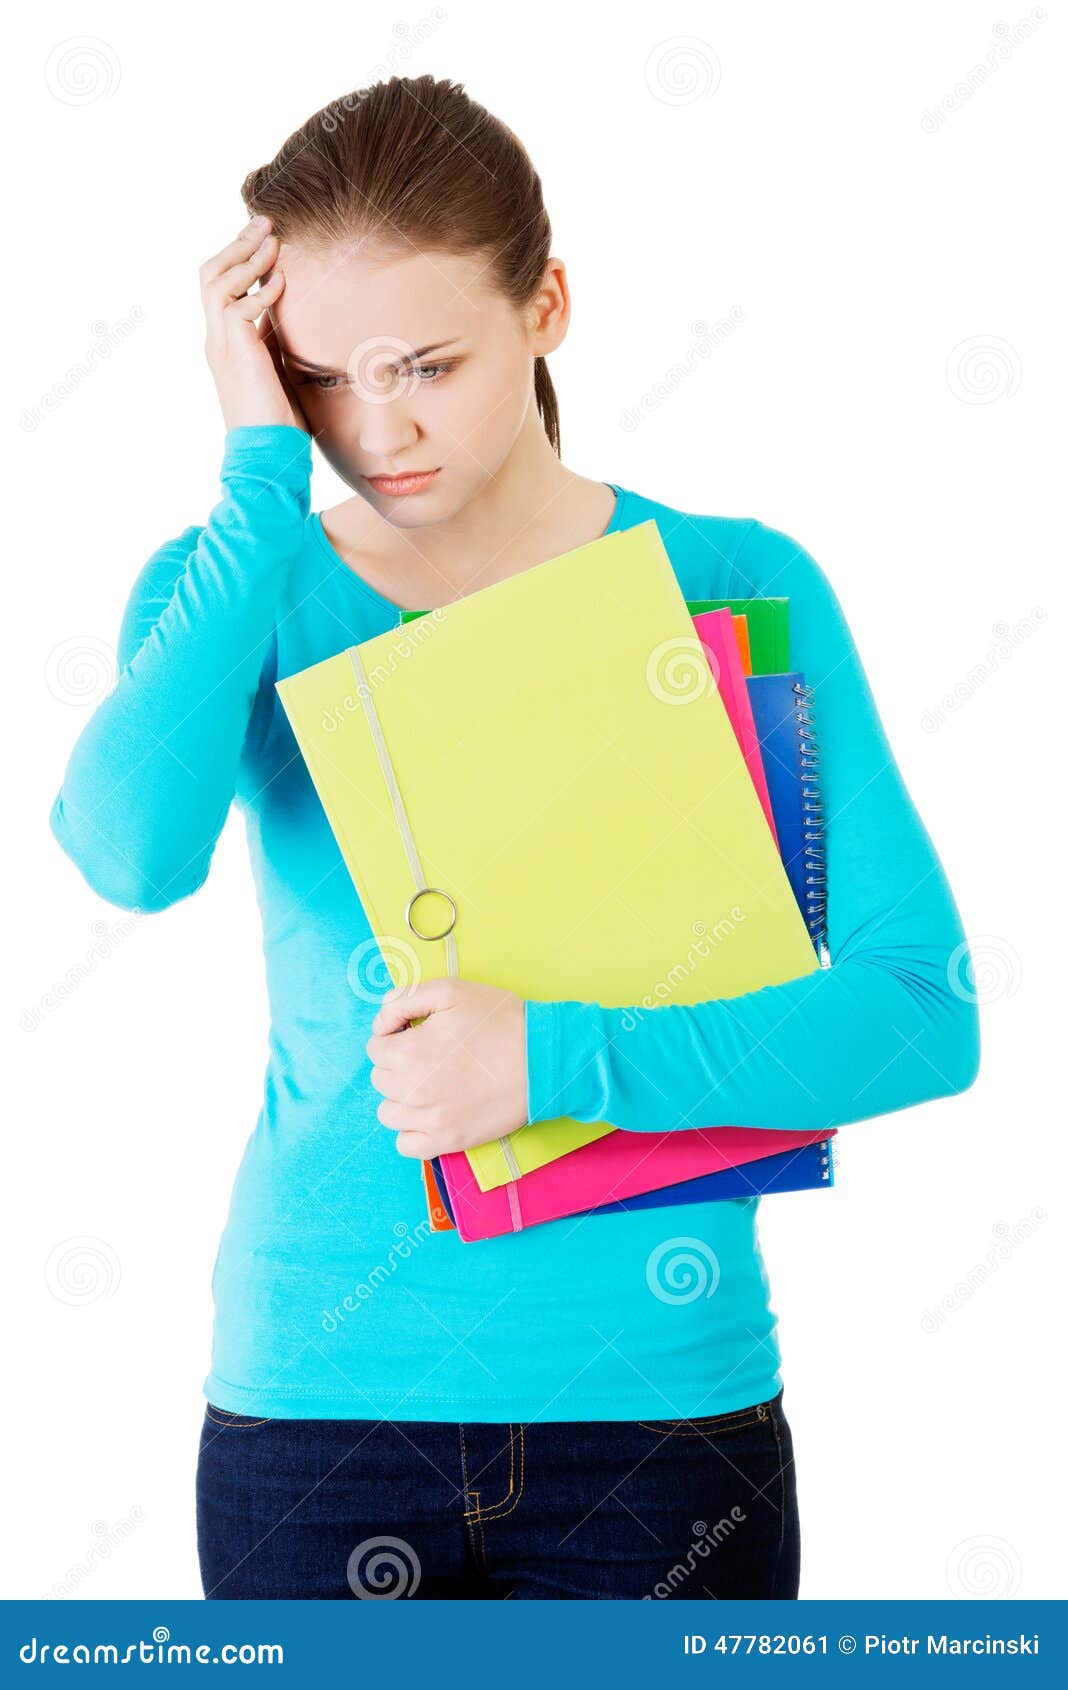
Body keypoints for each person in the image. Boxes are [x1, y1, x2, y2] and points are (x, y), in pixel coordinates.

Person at [48, 74, 980, 1601]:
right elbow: (126, 857)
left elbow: (919, 1014)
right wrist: (257, 482)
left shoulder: (734, 582)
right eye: (324, 376)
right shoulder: (246, 571)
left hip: (663, 1425)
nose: (381, 423)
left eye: (428, 362)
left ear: (546, 305)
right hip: (317, 1417)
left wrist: (548, 1061)